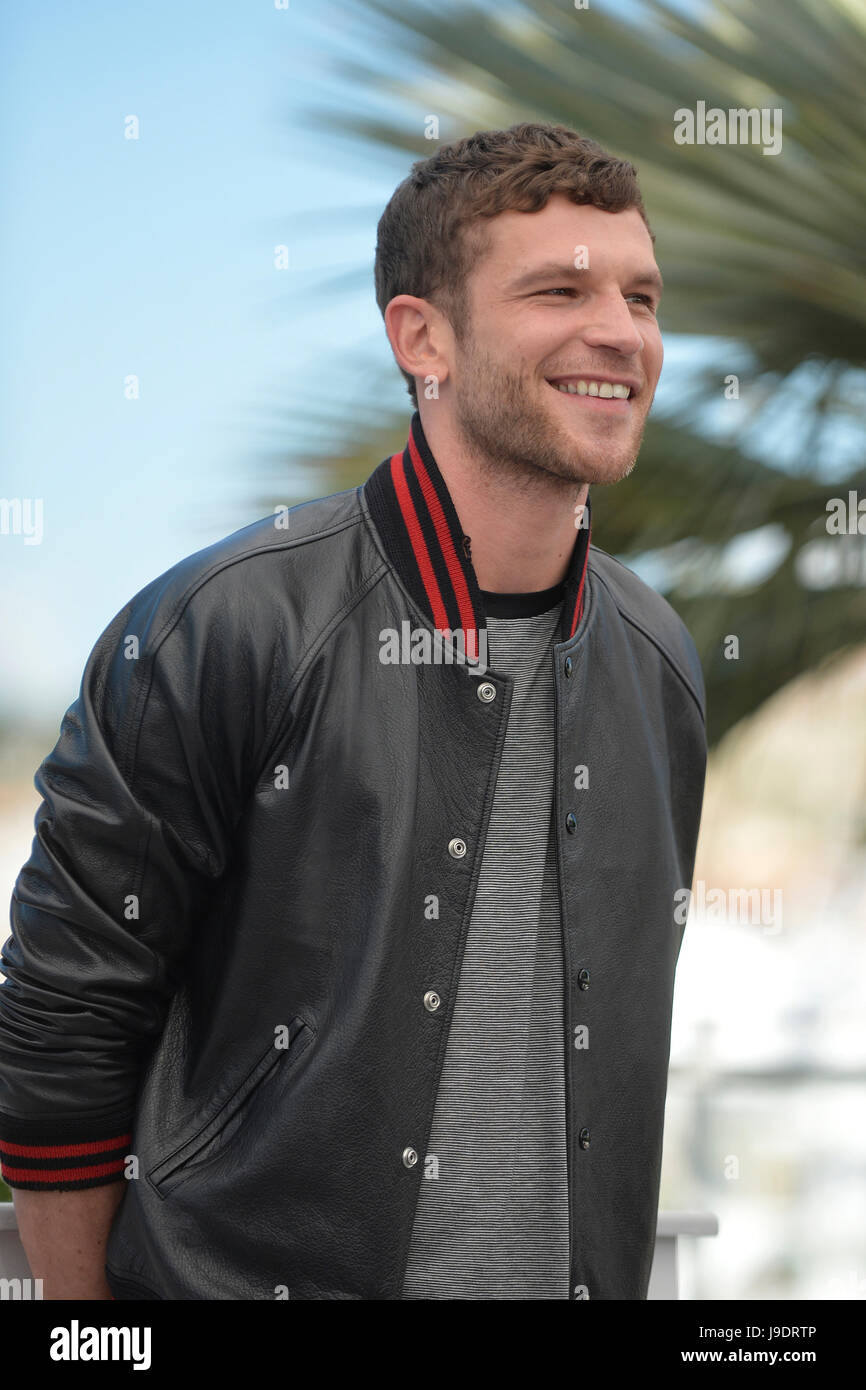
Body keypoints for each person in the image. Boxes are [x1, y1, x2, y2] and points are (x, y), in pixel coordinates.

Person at [0, 121, 707, 1300]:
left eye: (640, 296)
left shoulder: (658, 662)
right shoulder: (222, 624)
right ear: (420, 337)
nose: (619, 332)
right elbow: (63, 1024)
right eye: (557, 290)